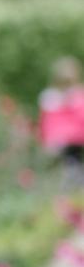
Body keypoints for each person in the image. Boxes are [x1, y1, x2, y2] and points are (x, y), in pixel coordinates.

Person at [40, 56, 84, 185]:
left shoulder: (75, 96)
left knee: (71, 162)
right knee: (69, 163)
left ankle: (72, 182)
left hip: (71, 138)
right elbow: (47, 122)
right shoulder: (52, 98)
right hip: (65, 139)